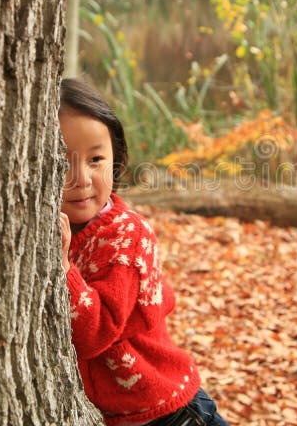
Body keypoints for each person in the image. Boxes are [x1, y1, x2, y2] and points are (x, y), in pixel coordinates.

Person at [58, 78, 229, 426]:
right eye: (62, 162)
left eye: (95, 159)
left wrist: (64, 270)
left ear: (116, 160)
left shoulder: (126, 235)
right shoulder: (66, 229)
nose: (81, 178)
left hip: (169, 413)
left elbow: (95, 333)